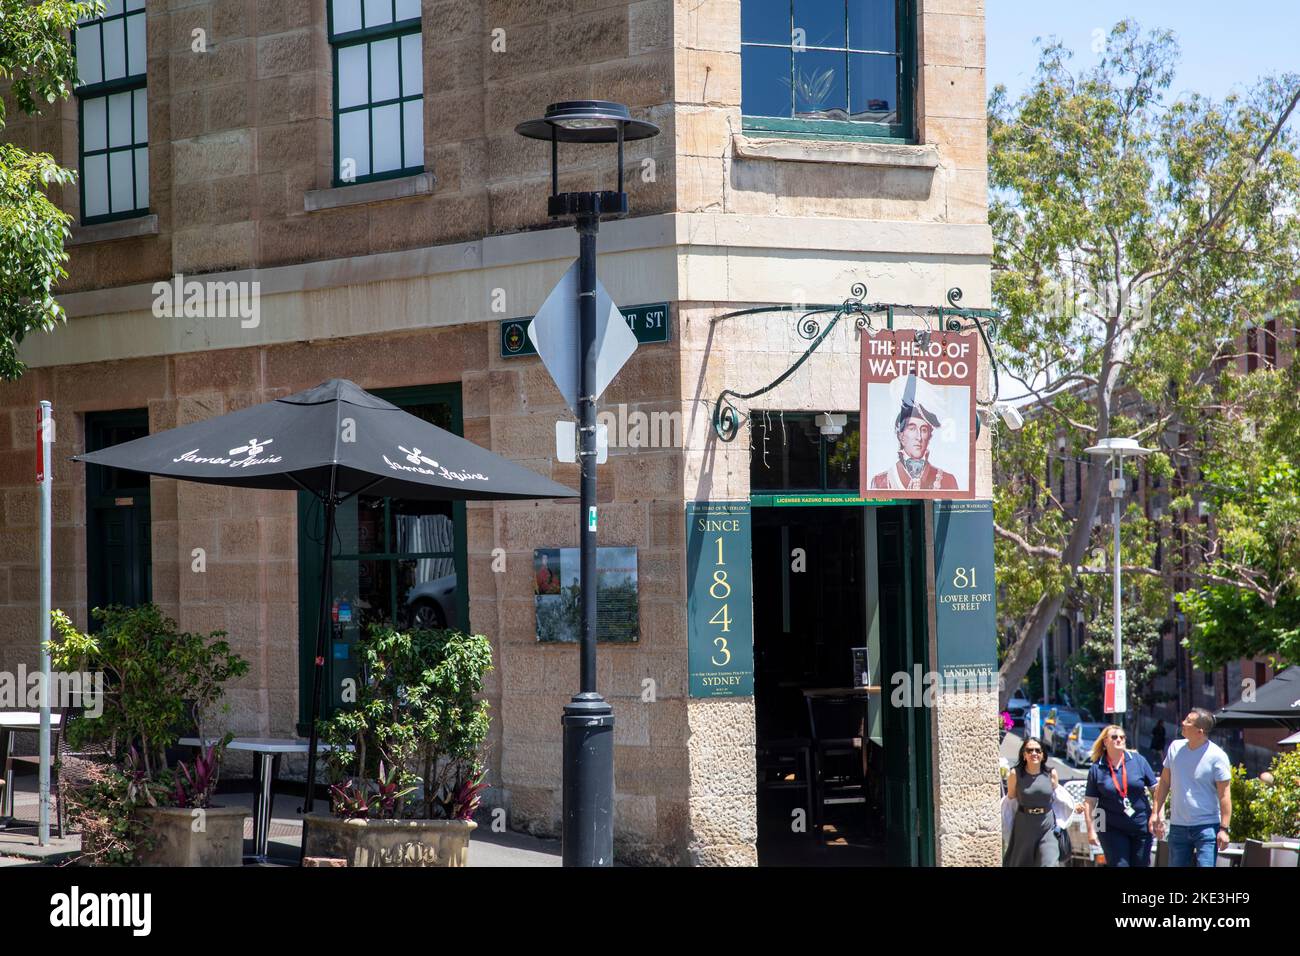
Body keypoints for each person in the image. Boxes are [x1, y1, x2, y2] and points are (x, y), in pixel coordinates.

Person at [1150, 708, 1232, 867]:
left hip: (1206, 827)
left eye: (1188, 721)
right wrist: (1155, 812)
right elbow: (1165, 783)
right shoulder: (1175, 747)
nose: (1183, 723)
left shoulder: (1217, 756)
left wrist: (1224, 828)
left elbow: (1225, 795)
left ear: (1200, 732)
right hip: (1178, 826)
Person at [1084, 724, 1157, 866]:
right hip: (1111, 828)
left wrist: (1156, 815)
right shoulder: (1097, 768)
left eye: (1122, 737)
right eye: (1114, 737)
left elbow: (1156, 791)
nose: (1119, 740)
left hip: (1141, 826)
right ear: (1105, 742)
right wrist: (1091, 830)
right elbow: (1090, 803)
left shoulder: (1138, 760)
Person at [869, 399, 959, 492]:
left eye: (924, 430)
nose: (919, 437)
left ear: (929, 437)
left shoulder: (948, 481)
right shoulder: (880, 482)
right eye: (912, 429)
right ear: (901, 436)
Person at [1004, 737, 1063, 866]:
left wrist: (1075, 807)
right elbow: (1010, 800)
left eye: (1037, 750)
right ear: (1024, 755)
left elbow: (1058, 798)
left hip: (1047, 826)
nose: (1034, 753)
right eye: (1030, 750)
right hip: (1024, 826)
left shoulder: (1051, 773)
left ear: (1043, 755)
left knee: (1050, 862)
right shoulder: (1015, 774)